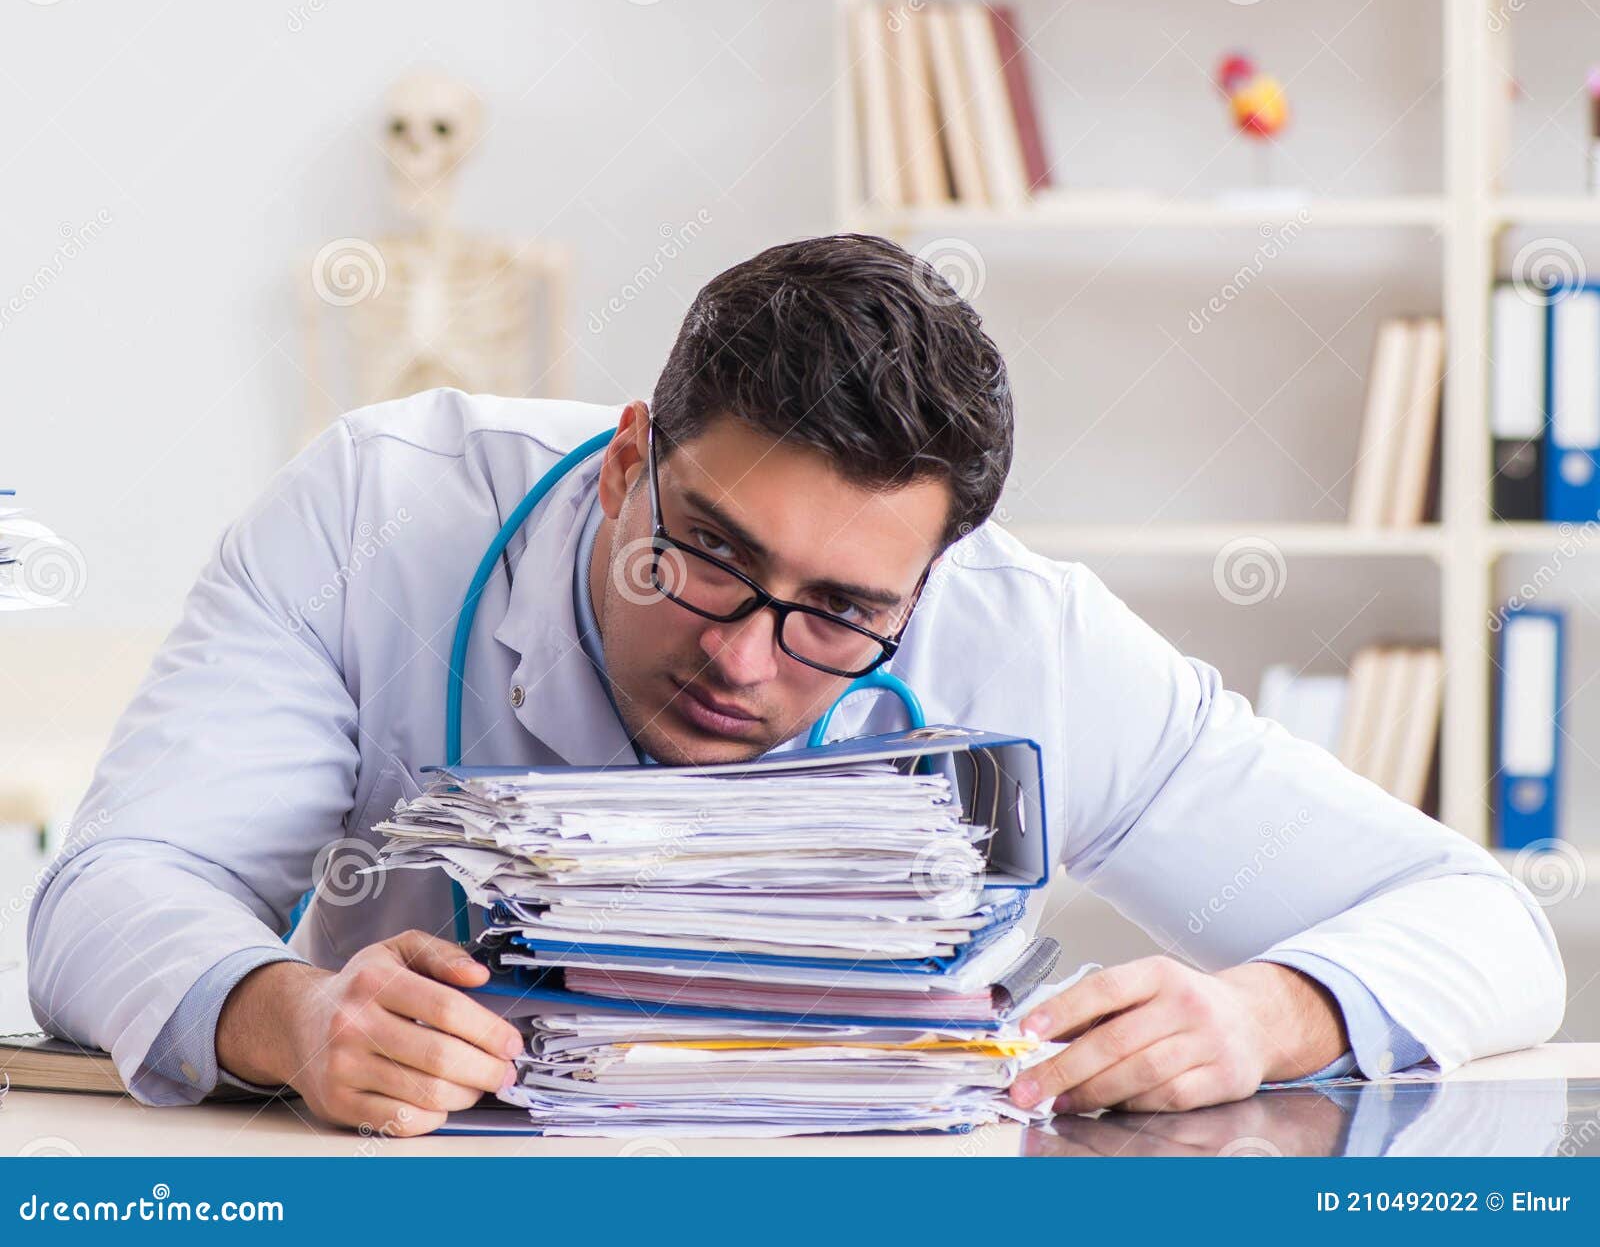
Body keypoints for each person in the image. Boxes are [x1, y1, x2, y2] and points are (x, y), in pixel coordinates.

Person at [27, 234, 1563, 1136]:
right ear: (629, 461)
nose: (744, 659)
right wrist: (284, 1017)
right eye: (704, 556)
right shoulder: (382, 513)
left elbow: (1482, 921)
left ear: (932, 581)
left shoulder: (1026, 637)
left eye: (841, 614)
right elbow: (110, 893)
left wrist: (1267, 1013)